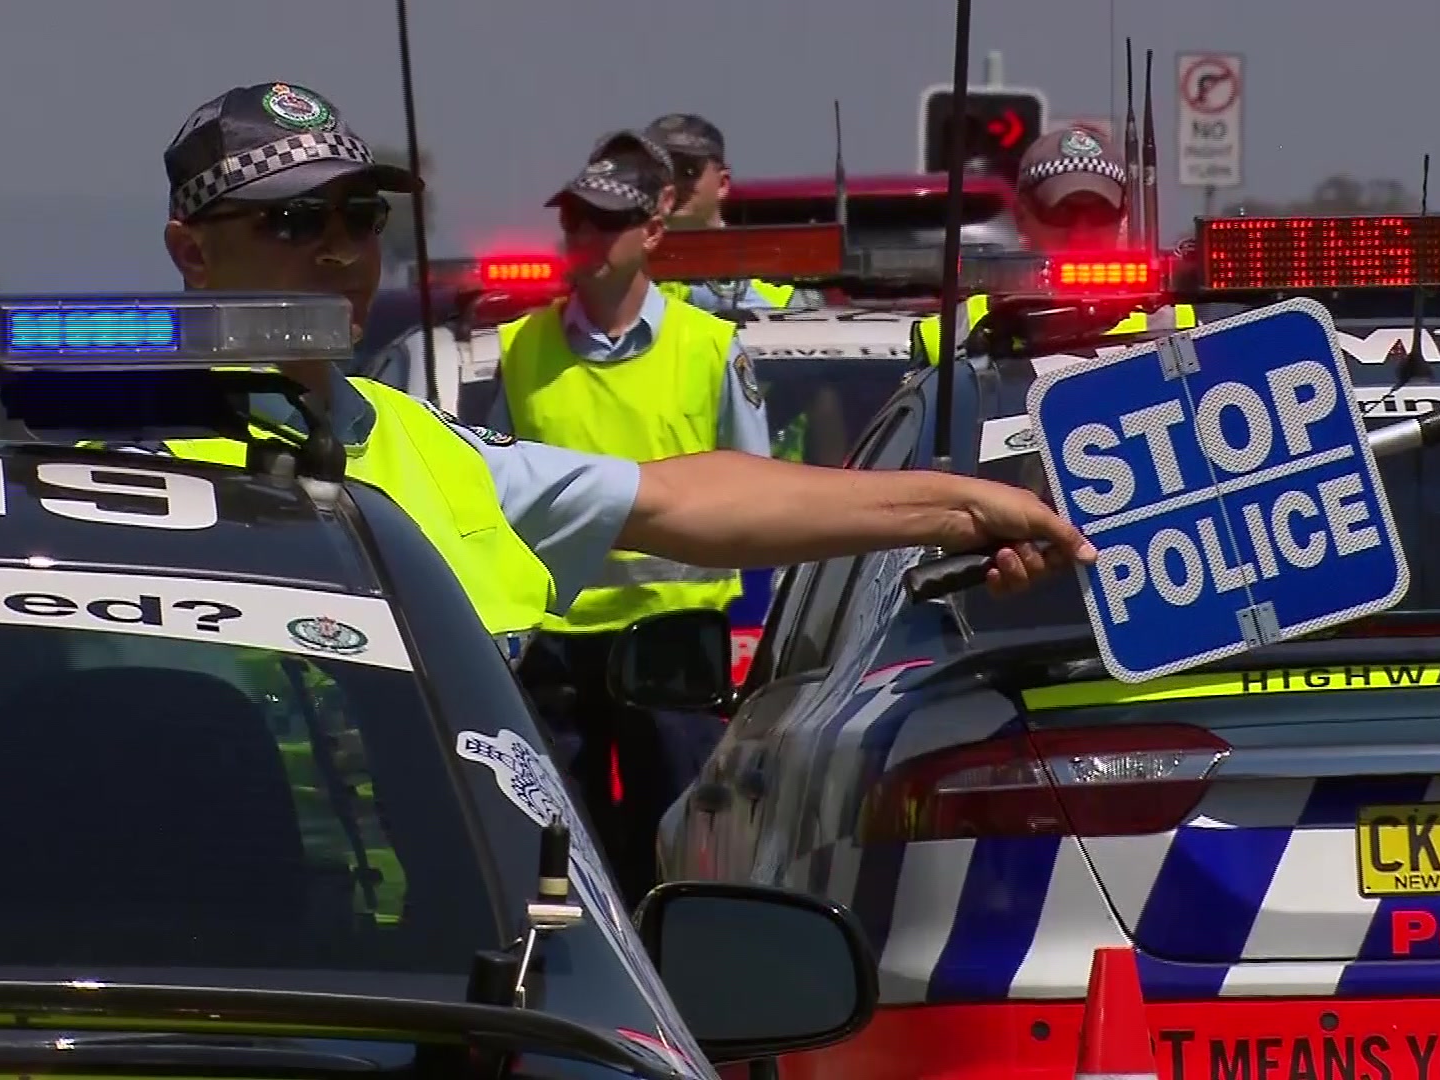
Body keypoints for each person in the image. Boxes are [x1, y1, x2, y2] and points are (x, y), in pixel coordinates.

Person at [148, 81, 1092, 894]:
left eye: (362, 217)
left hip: (447, 963)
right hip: (194, 957)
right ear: (190, 251)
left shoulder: (414, 441)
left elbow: (688, 500)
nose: (340, 250)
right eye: (292, 221)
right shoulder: (113, 460)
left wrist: (966, 505)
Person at [470, 129, 772, 903]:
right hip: (556, 648)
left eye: (606, 222)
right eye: (575, 221)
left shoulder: (712, 349)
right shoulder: (521, 349)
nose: (587, 238)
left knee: (678, 849)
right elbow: (490, 494)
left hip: (671, 646)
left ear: (653, 233)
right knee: (562, 852)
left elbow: (757, 490)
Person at [909, 124, 1198, 367]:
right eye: (1061, 212)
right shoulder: (950, 337)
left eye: (1100, 212)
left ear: (1124, 217)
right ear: (1022, 217)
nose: (1081, 232)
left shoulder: (1182, 327)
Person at [641, 112, 822, 313]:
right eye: (659, 171)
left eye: (687, 170)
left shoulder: (782, 287)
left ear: (722, 183)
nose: (672, 184)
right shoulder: (621, 280)